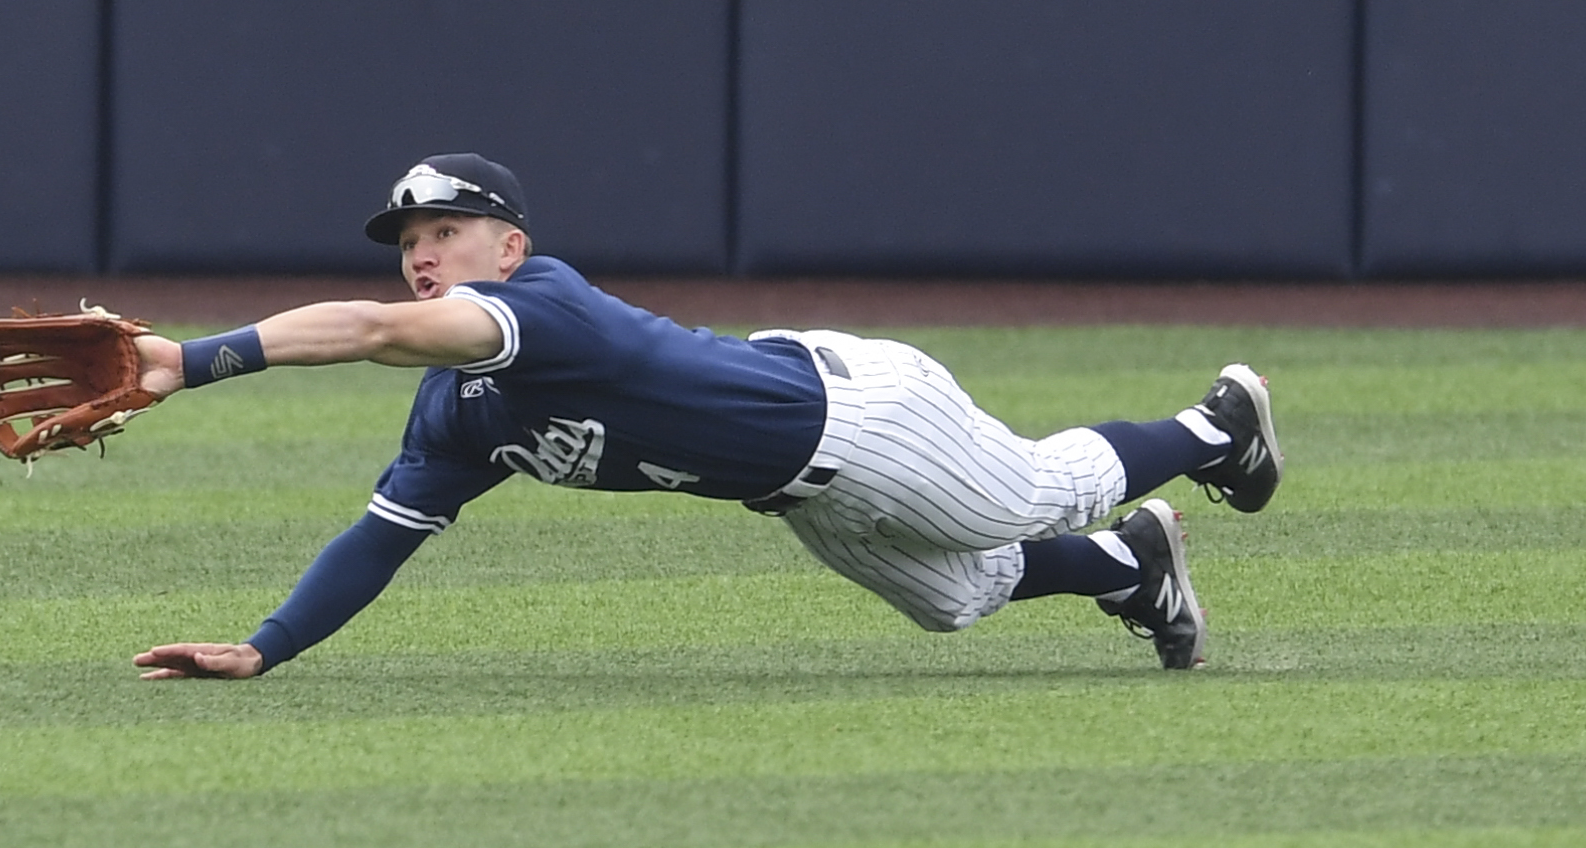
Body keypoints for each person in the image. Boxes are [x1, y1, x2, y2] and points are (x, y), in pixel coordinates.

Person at [130, 154, 1282, 680]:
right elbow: (381, 536)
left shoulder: (541, 307)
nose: (425, 255)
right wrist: (268, 646)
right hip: (793, 483)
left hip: (857, 416)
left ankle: (1218, 427)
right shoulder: (457, 418)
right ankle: (1136, 567)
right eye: (411, 243)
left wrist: (194, 359)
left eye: (447, 233)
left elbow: (372, 331)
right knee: (959, 597)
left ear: (508, 248)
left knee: (1029, 490)